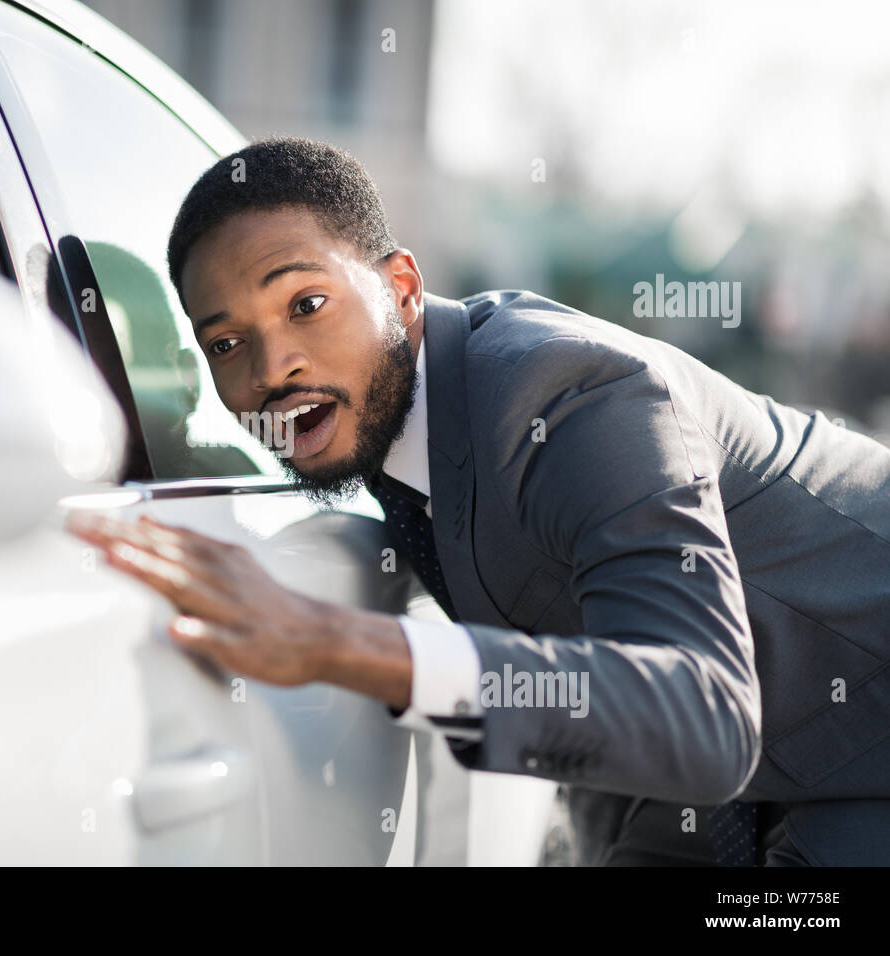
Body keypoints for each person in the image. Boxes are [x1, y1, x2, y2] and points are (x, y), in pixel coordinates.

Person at [67, 137, 890, 866]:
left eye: (306, 305)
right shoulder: (384, 433)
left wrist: (332, 640)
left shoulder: (568, 397)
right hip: (741, 779)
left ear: (403, 288)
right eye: (226, 343)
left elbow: (701, 716)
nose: (272, 365)